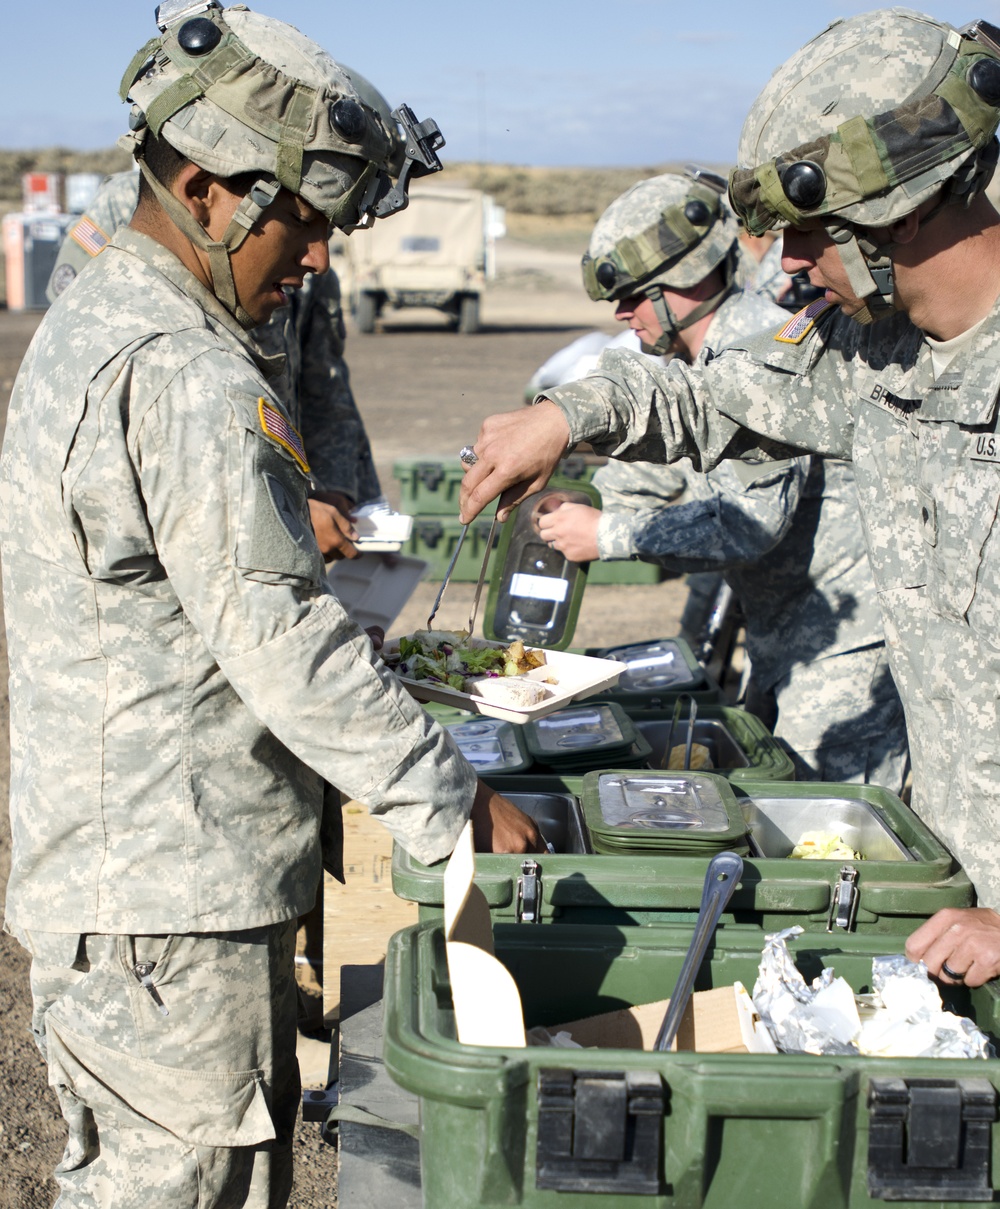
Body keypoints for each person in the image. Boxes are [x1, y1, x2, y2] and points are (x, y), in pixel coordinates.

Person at [0, 5, 541, 1205]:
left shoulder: (120, 314)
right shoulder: (183, 368)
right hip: (168, 899)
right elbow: (281, 634)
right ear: (207, 189)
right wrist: (453, 800)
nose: (313, 265)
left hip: (150, 876)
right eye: (302, 229)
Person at [461, 9, 1000, 987]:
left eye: (810, 236)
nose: (786, 266)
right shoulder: (884, 353)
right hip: (948, 867)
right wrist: (566, 415)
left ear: (902, 209)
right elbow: (718, 404)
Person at [537, 171, 908, 786]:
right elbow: (649, 472)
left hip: (846, 642)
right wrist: (576, 500)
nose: (621, 312)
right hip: (787, 629)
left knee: (836, 834)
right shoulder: (697, 358)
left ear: (685, 284)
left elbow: (750, 523)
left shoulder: (758, 351)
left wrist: (608, 534)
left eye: (636, 293)